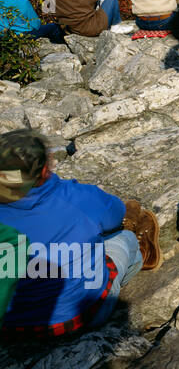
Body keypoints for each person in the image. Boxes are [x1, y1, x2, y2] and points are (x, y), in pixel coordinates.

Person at [0, 129, 161, 338]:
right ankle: (143, 254)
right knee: (124, 237)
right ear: (43, 172)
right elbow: (116, 214)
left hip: (8, 326)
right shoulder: (75, 196)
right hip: (80, 315)